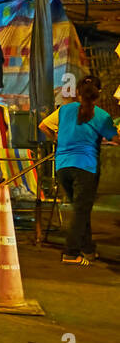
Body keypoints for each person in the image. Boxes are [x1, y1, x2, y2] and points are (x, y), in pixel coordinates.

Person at [39, 76, 119, 265]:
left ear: (78, 92)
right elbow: (115, 138)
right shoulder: (102, 116)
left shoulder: (64, 110)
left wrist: (56, 140)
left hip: (63, 166)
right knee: (81, 211)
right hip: (86, 167)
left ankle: (88, 249)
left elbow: (43, 126)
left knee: (81, 209)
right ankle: (71, 253)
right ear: (98, 94)